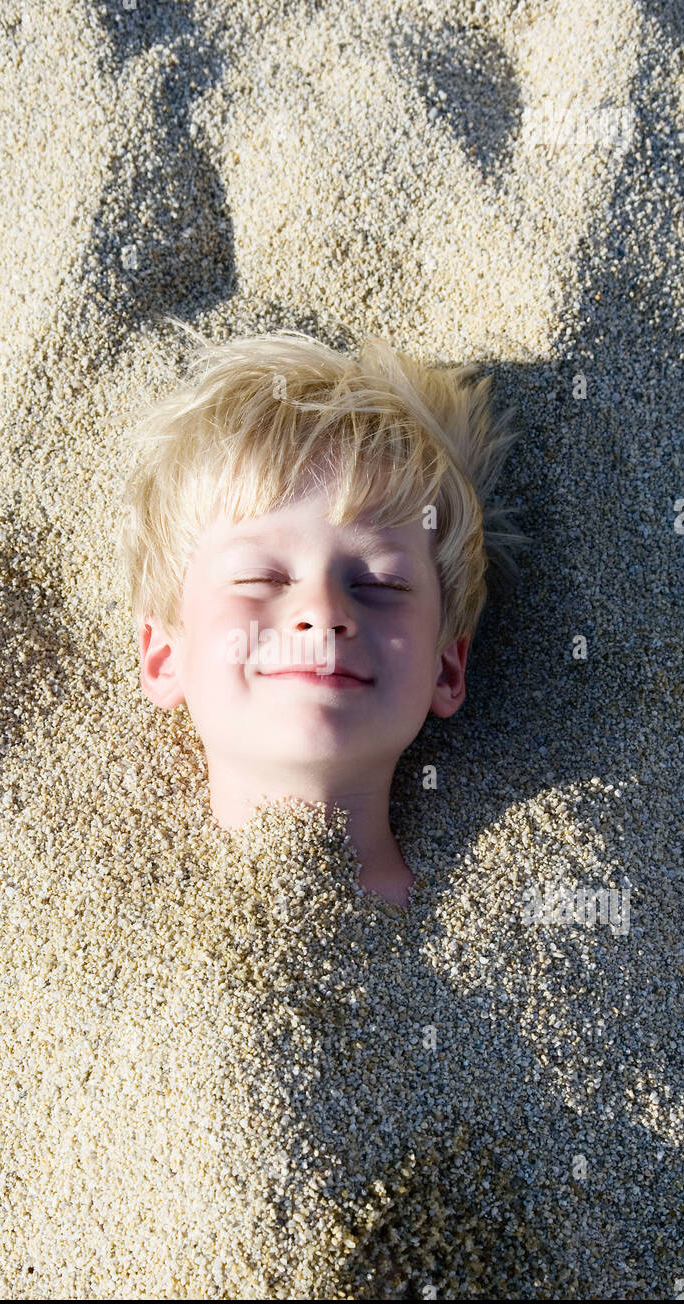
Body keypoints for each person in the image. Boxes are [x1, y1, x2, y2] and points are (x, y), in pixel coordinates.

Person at [116, 321, 524, 908]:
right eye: (260, 576)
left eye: (381, 582)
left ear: (447, 670)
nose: (322, 612)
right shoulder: (92, 922)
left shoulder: (512, 931)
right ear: (164, 656)